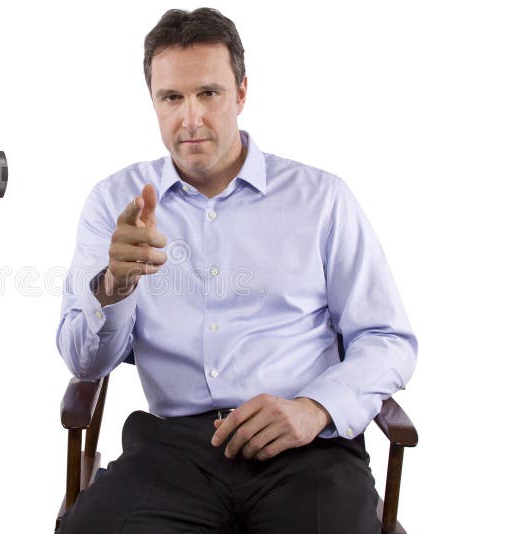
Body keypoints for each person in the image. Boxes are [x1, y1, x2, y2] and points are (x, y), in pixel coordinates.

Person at [56, 7, 417, 533]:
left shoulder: (321, 199)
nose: (191, 118)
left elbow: (388, 338)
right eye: (172, 98)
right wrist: (113, 288)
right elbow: (84, 363)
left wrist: (315, 409)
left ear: (242, 93)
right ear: (153, 101)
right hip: (172, 451)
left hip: (306, 449)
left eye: (209, 93)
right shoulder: (114, 201)